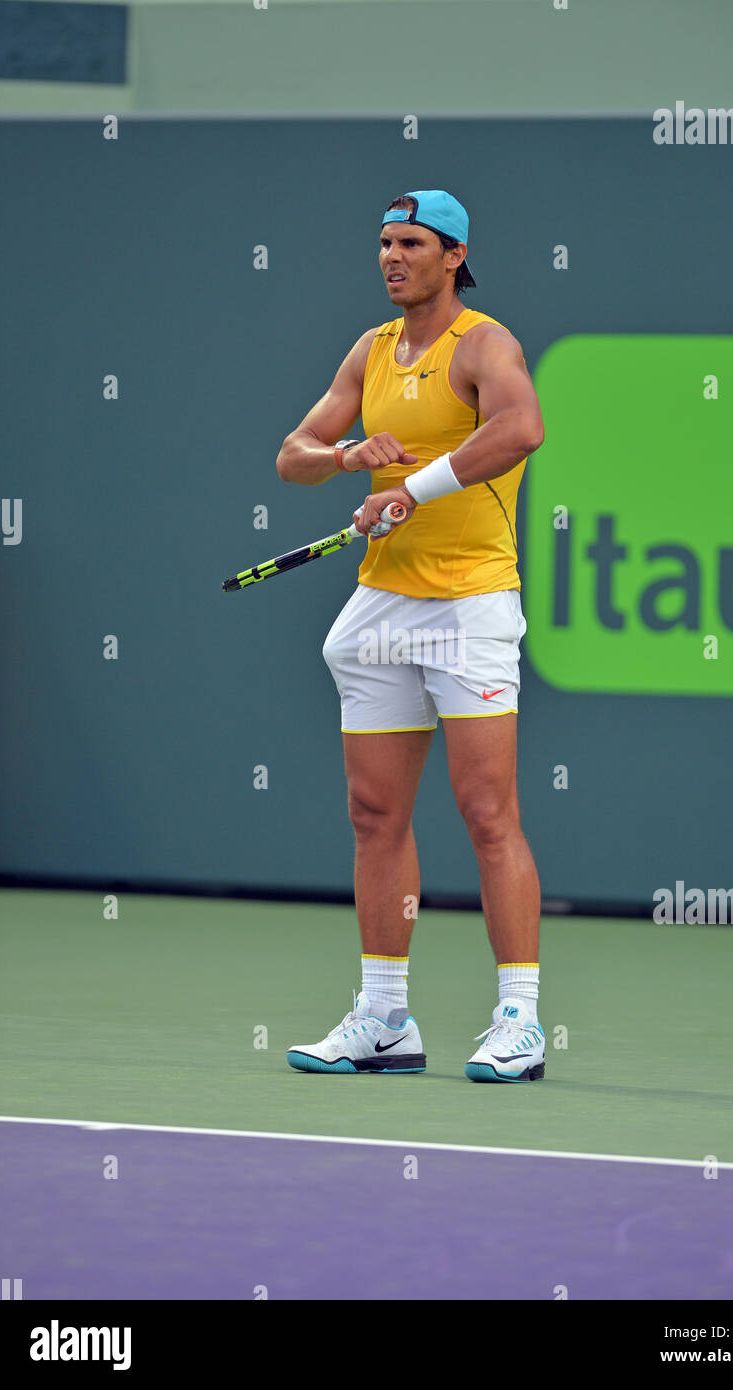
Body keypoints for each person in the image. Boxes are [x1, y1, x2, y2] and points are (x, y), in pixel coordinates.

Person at [277, 190, 546, 1082]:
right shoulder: (371, 349)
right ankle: (385, 1017)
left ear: (454, 254)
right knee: (374, 816)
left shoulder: (485, 343)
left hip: (470, 603)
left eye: (412, 244)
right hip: (383, 605)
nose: (392, 257)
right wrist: (347, 458)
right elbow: (293, 454)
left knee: (485, 813)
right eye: (385, 243)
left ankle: (520, 1020)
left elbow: (520, 429)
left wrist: (412, 489)